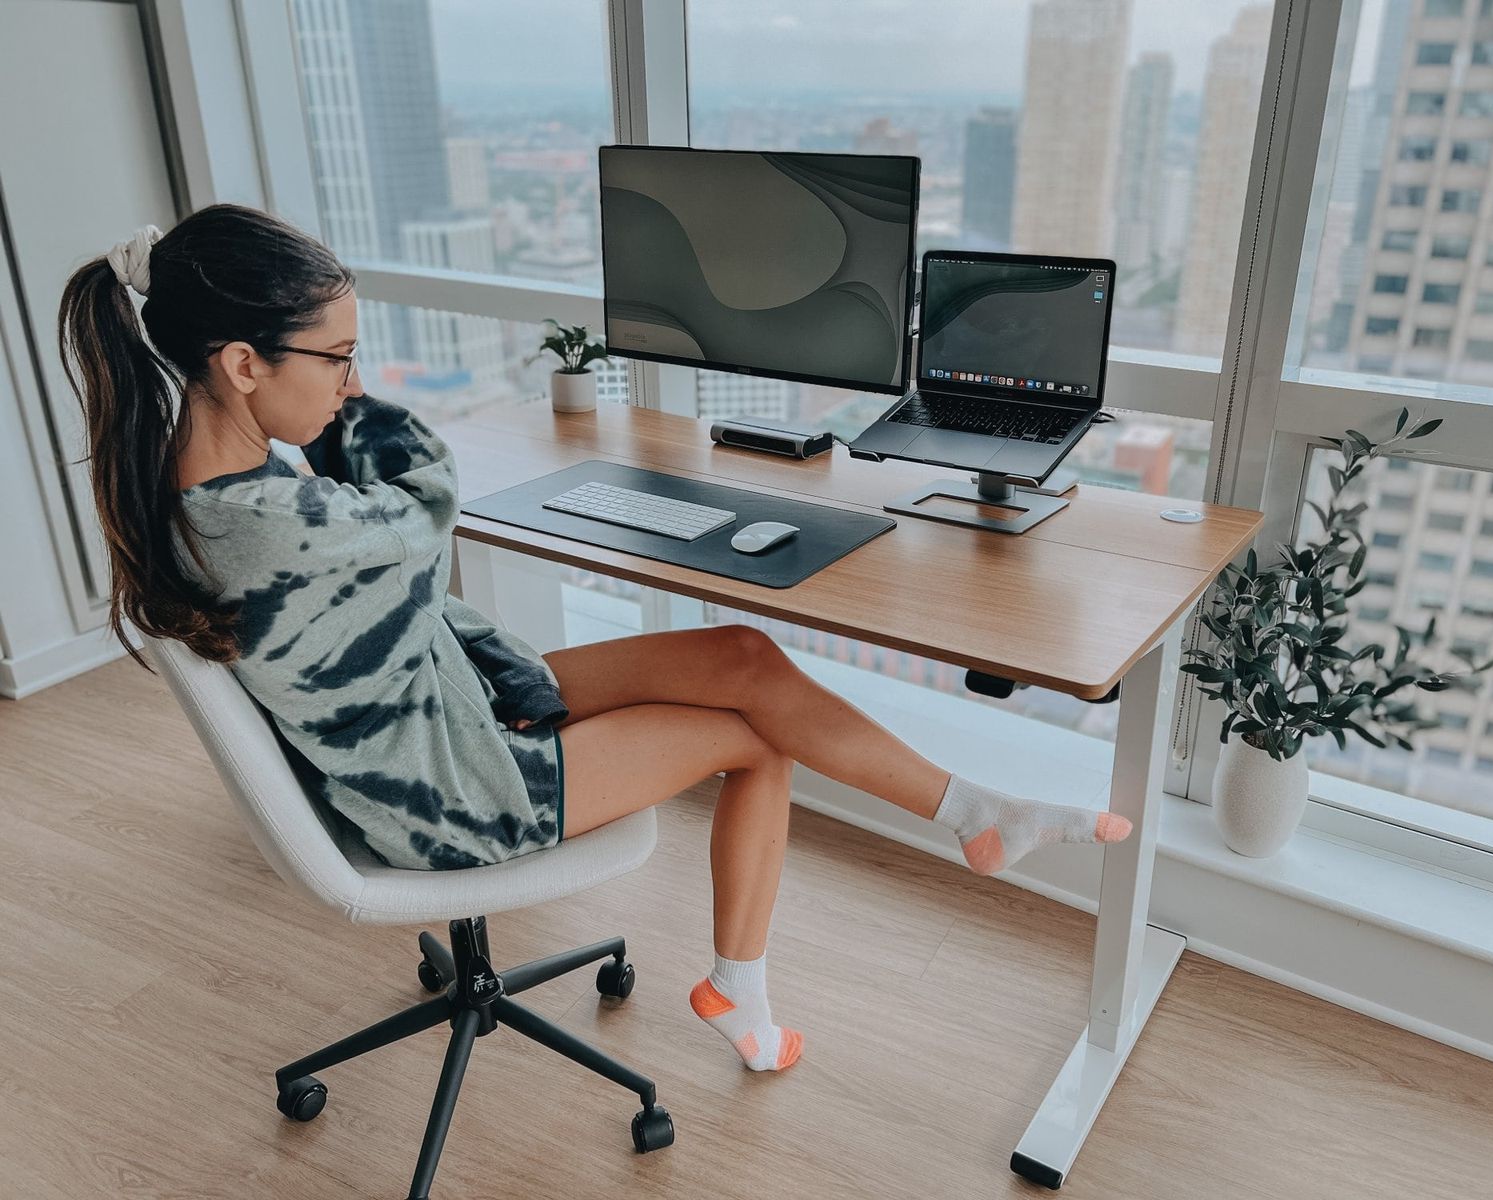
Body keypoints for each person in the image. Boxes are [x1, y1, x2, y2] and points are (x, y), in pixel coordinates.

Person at [58, 204, 1132, 1074]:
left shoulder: (221, 472)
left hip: (447, 706)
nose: (351, 381)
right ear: (242, 363)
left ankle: (973, 813)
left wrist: (509, 670)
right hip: (456, 791)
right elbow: (427, 500)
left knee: (740, 657)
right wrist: (360, 418)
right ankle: (741, 992)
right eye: (337, 358)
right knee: (757, 739)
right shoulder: (265, 525)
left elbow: (400, 602)